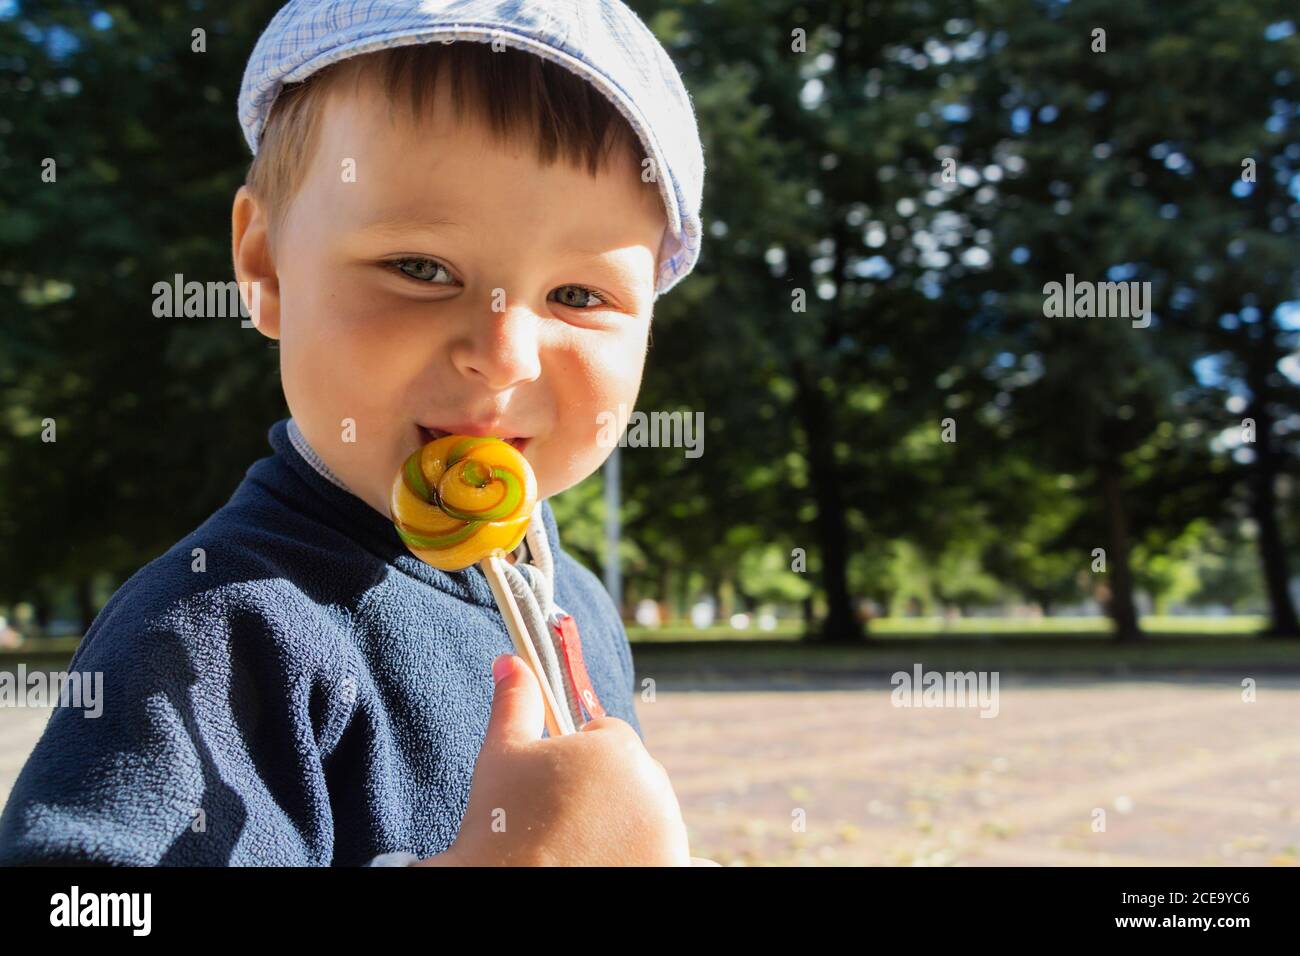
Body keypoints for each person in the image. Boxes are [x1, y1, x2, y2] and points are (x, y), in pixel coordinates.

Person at [0, 0, 709, 866]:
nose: (503, 356)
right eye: (421, 269)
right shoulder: (215, 632)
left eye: (579, 296)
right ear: (264, 266)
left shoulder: (580, 605)